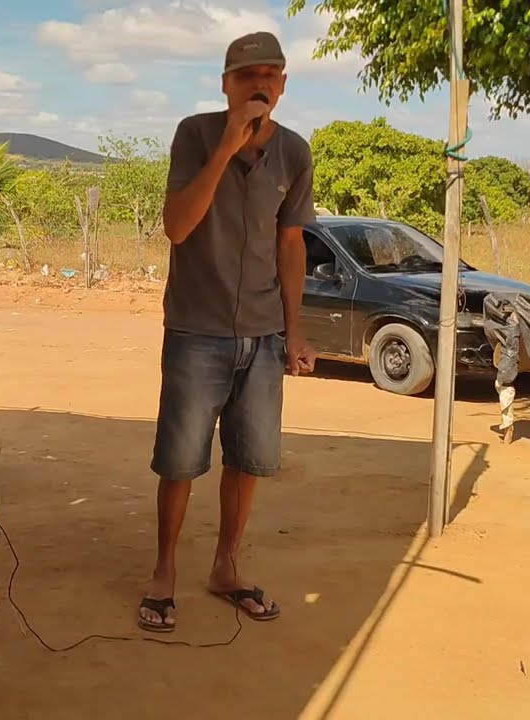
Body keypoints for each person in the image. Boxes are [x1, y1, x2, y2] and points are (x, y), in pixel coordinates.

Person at [137, 31, 317, 632]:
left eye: (271, 74)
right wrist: (225, 149)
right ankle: (165, 571)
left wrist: (294, 333)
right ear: (225, 84)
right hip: (197, 329)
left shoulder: (295, 153)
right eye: (246, 76)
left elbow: (291, 244)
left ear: (284, 84)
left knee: (250, 459)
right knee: (181, 461)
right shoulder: (194, 134)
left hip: (264, 335)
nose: (259, 84)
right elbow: (178, 227)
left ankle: (226, 567)